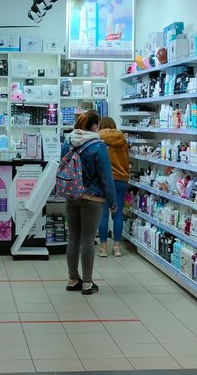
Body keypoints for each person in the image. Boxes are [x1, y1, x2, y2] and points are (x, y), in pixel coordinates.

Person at [61, 110, 116, 295]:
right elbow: (106, 176)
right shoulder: (98, 146)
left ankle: (72, 279)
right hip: (92, 198)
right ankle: (87, 283)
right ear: (94, 126)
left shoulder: (68, 142)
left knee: (73, 238)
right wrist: (112, 200)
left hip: (72, 195)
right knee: (87, 239)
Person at [96, 116, 129, 257]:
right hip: (121, 179)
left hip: (104, 180)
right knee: (118, 214)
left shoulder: (98, 139)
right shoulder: (122, 139)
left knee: (103, 215)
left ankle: (103, 248)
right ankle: (117, 247)